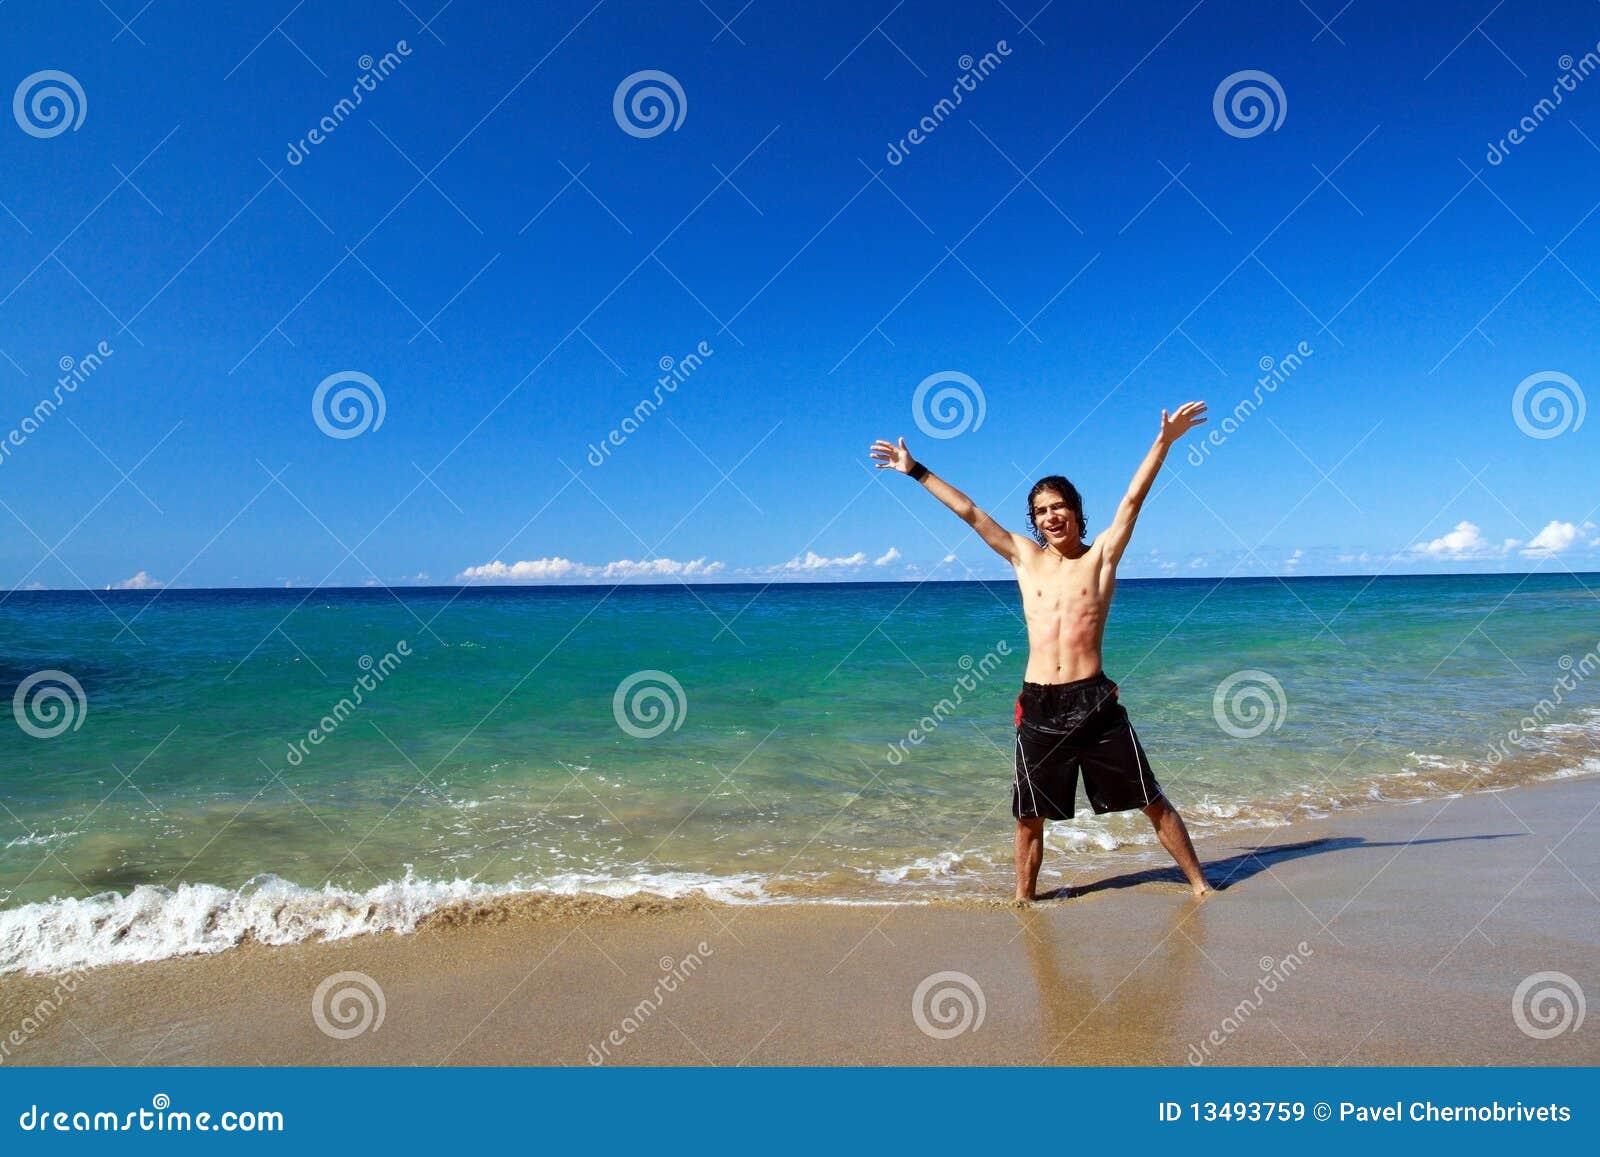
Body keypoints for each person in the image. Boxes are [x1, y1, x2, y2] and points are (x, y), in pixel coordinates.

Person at [869, 403, 1213, 901]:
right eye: (1041, 511)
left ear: (1075, 510)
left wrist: (1165, 441)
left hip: (1094, 701)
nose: (1051, 516)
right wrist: (915, 470)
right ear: (1034, 521)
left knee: (1150, 798)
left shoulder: (1101, 558)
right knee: (1029, 815)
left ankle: (1201, 885)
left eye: (1059, 507)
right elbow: (970, 513)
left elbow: (1133, 499)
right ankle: (1023, 900)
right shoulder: (1023, 557)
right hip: (1040, 705)